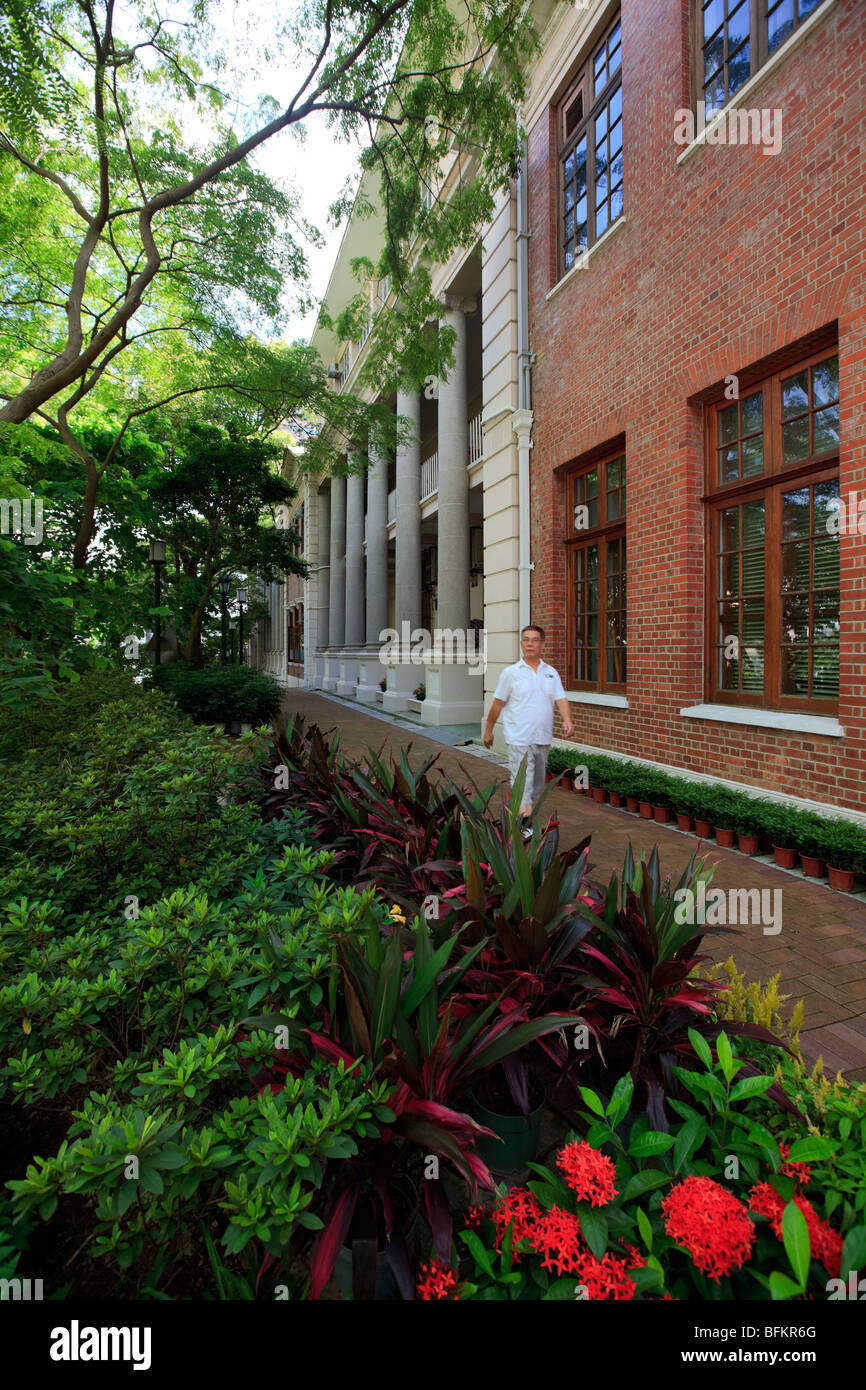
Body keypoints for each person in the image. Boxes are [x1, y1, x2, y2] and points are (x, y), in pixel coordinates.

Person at [483, 624, 574, 838]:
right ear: (522, 643)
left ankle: (518, 816)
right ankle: (524, 828)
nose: (530, 643)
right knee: (522, 781)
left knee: (536, 785)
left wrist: (567, 719)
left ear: (542, 644)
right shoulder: (511, 673)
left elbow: (561, 699)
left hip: (542, 737)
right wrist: (489, 730)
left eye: (534, 640)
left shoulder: (551, 673)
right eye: (526, 639)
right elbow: (497, 703)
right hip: (519, 737)